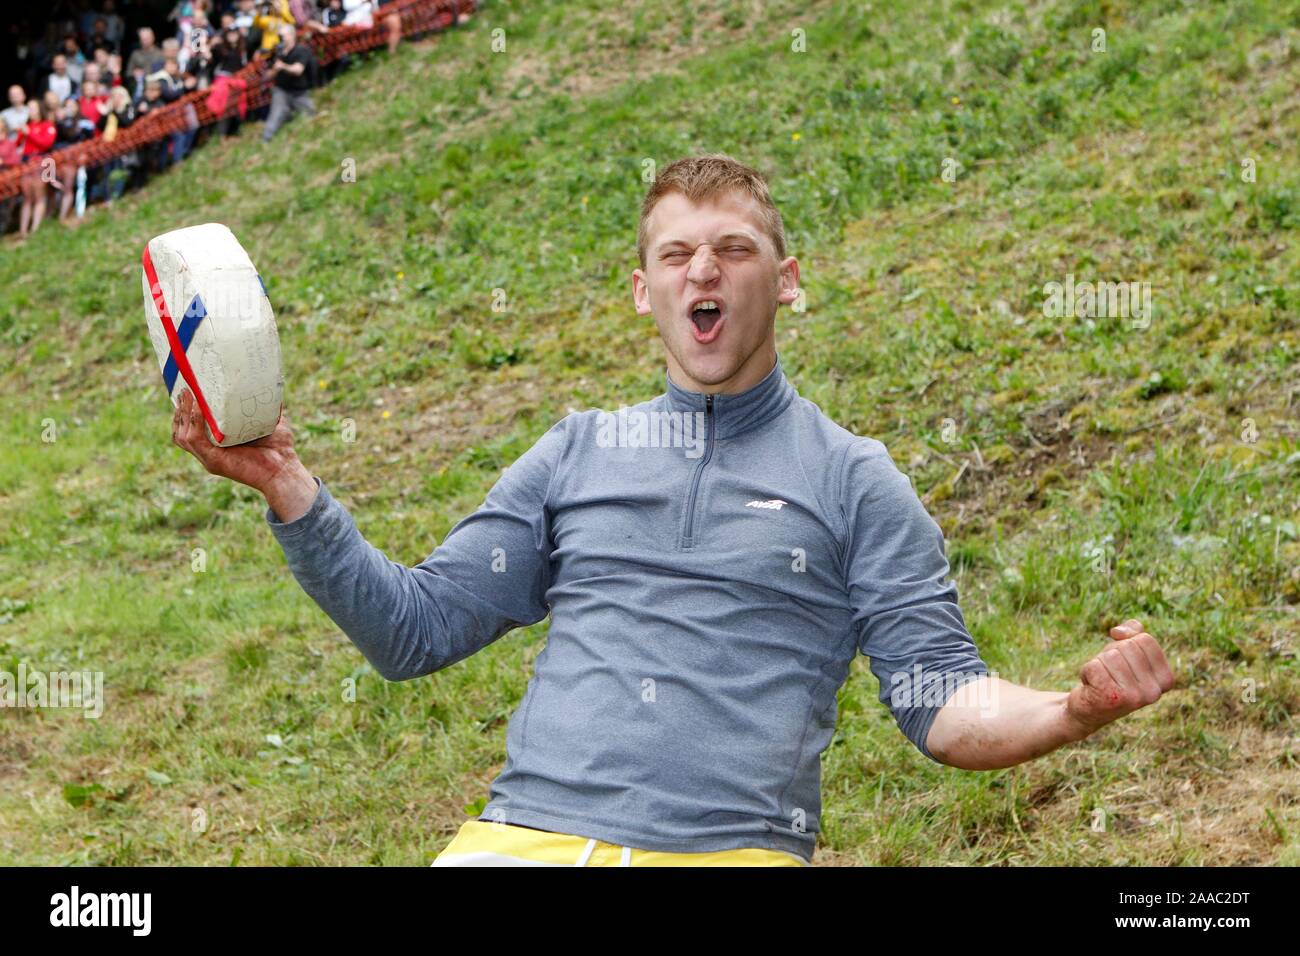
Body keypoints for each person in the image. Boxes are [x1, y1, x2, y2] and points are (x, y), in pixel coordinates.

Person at [170, 154, 1178, 866]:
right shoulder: (575, 452)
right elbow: (412, 630)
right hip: (517, 841)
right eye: (677, 253)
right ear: (641, 290)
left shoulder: (853, 479)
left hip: (725, 851)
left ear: (787, 283)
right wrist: (288, 488)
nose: (703, 270)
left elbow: (942, 700)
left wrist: (1070, 709)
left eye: (734, 249)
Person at [260, 23, 316, 143]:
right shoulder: (276, 53)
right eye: (280, 36)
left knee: (310, 114)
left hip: (299, 92)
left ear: (292, 36)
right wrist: (275, 68)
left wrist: (283, 66)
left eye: (284, 36)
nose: (281, 39)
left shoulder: (301, 50)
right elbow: (266, 76)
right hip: (282, 90)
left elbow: (298, 70)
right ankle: (265, 140)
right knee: (276, 113)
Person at [17, 99, 56, 237]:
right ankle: (23, 231)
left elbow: (46, 143)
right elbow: (18, 144)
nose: (31, 111)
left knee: (39, 196)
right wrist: (23, 133)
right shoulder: (27, 125)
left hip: (41, 162)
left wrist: (29, 133)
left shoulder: (47, 125)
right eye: (29, 108)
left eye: (33, 108)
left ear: (40, 109)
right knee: (27, 197)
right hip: (26, 163)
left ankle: (35, 229)